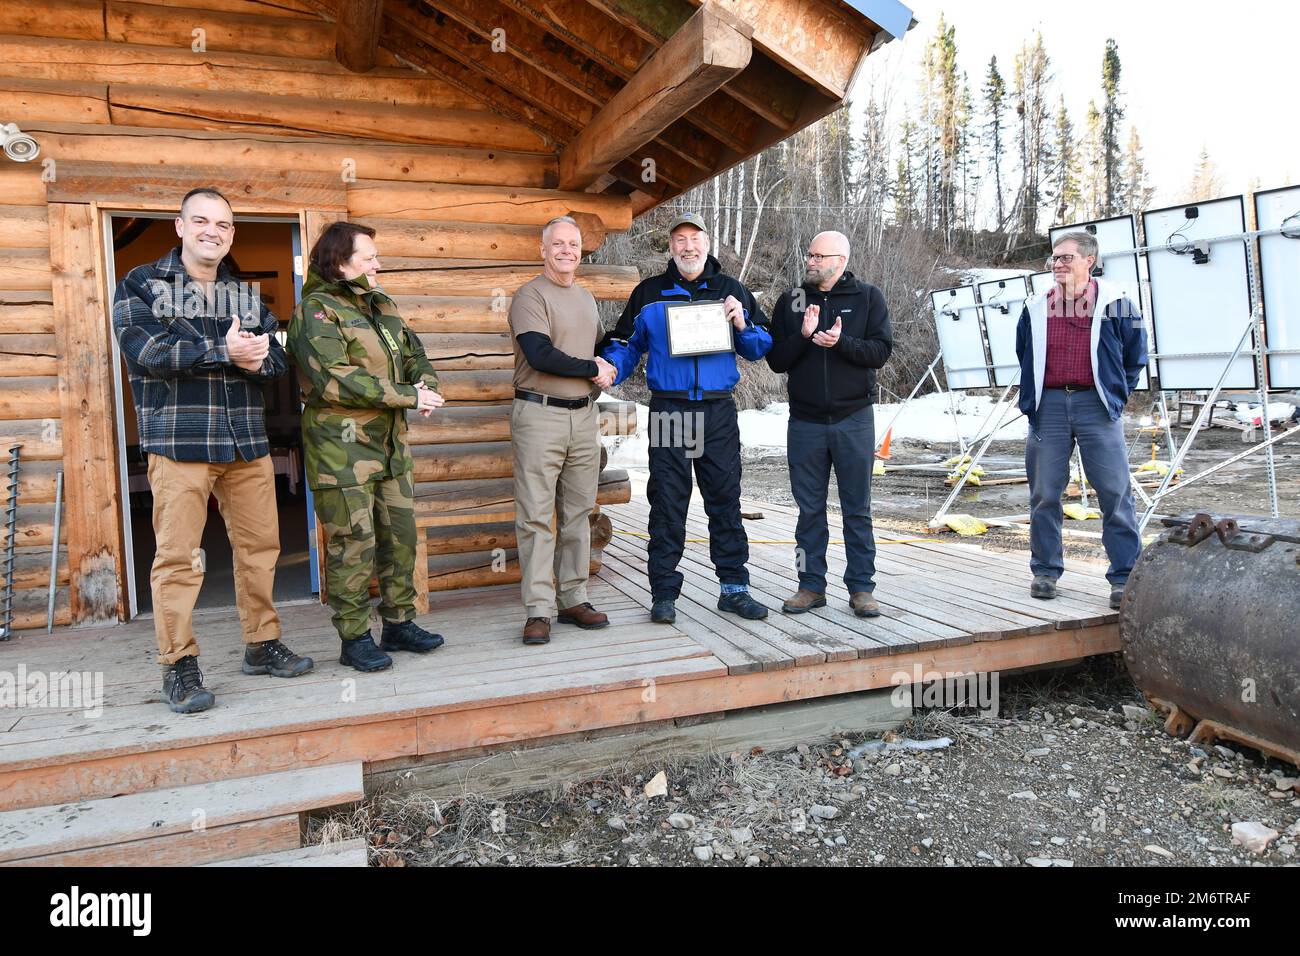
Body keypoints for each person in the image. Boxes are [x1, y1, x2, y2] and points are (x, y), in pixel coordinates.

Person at [113, 187, 312, 715]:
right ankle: (177, 665)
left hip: (245, 439)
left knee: (261, 547)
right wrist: (222, 351)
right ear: (180, 227)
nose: (212, 231)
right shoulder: (141, 284)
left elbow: (277, 359)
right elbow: (149, 352)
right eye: (201, 221)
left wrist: (254, 362)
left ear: (230, 234)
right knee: (178, 558)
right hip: (180, 442)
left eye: (223, 224)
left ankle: (262, 644)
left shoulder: (245, 297)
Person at [287, 221, 447, 672]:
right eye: (369, 257)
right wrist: (407, 396)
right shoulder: (316, 311)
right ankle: (354, 637)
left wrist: (425, 385)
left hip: (391, 447)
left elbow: (415, 355)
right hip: (343, 453)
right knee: (352, 545)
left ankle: (398, 623)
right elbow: (334, 378)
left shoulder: (382, 304)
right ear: (340, 262)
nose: (378, 264)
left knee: (399, 538)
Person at [600, 213, 772, 624]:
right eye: (680, 239)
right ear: (671, 247)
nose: (688, 246)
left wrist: (742, 323)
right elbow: (625, 344)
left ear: (707, 243)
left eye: (695, 238)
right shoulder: (649, 293)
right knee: (667, 502)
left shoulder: (731, 290)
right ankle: (663, 593)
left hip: (717, 410)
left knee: (724, 501)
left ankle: (734, 589)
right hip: (671, 408)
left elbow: (762, 344)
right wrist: (609, 366)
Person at [1015, 231, 1148, 610]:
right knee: (1044, 495)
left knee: (1115, 493)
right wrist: (1034, 400)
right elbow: (1024, 351)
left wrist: (1115, 394)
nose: (1057, 264)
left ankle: (1124, 577)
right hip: (1050, 407)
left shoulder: (1118, 304)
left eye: (1066, 258)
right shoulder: (1036, 305)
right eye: (1054, 258)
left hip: (1097, 407)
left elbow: (1136, 355)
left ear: (1089, 261)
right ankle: (1045, 571)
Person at [766, 230, 893, 618]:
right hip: (805, 421)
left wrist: (841, 343)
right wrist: (804, 337)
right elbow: (776, 359)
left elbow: (880, 352)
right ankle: (810, 585)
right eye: (810, 254)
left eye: (819, 256)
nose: (811, 261)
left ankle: (861, 588)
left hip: (853, 418)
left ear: (840, 261)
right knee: (808, 509)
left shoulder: (867, 297)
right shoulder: (792, 300)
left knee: (857, 508)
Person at [508, 216, 614, 645]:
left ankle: (573, 597)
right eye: (558, 244)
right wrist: (594, 368)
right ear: (543, 249)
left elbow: (602, 347)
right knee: (536, 515)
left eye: (574, 244)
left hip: (584, 417)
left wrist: (613, 362)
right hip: (539, 416)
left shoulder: (587, 299)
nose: (567, 250)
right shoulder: (529, 296)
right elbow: (540, 355)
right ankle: (538, 608)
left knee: (578, 512)